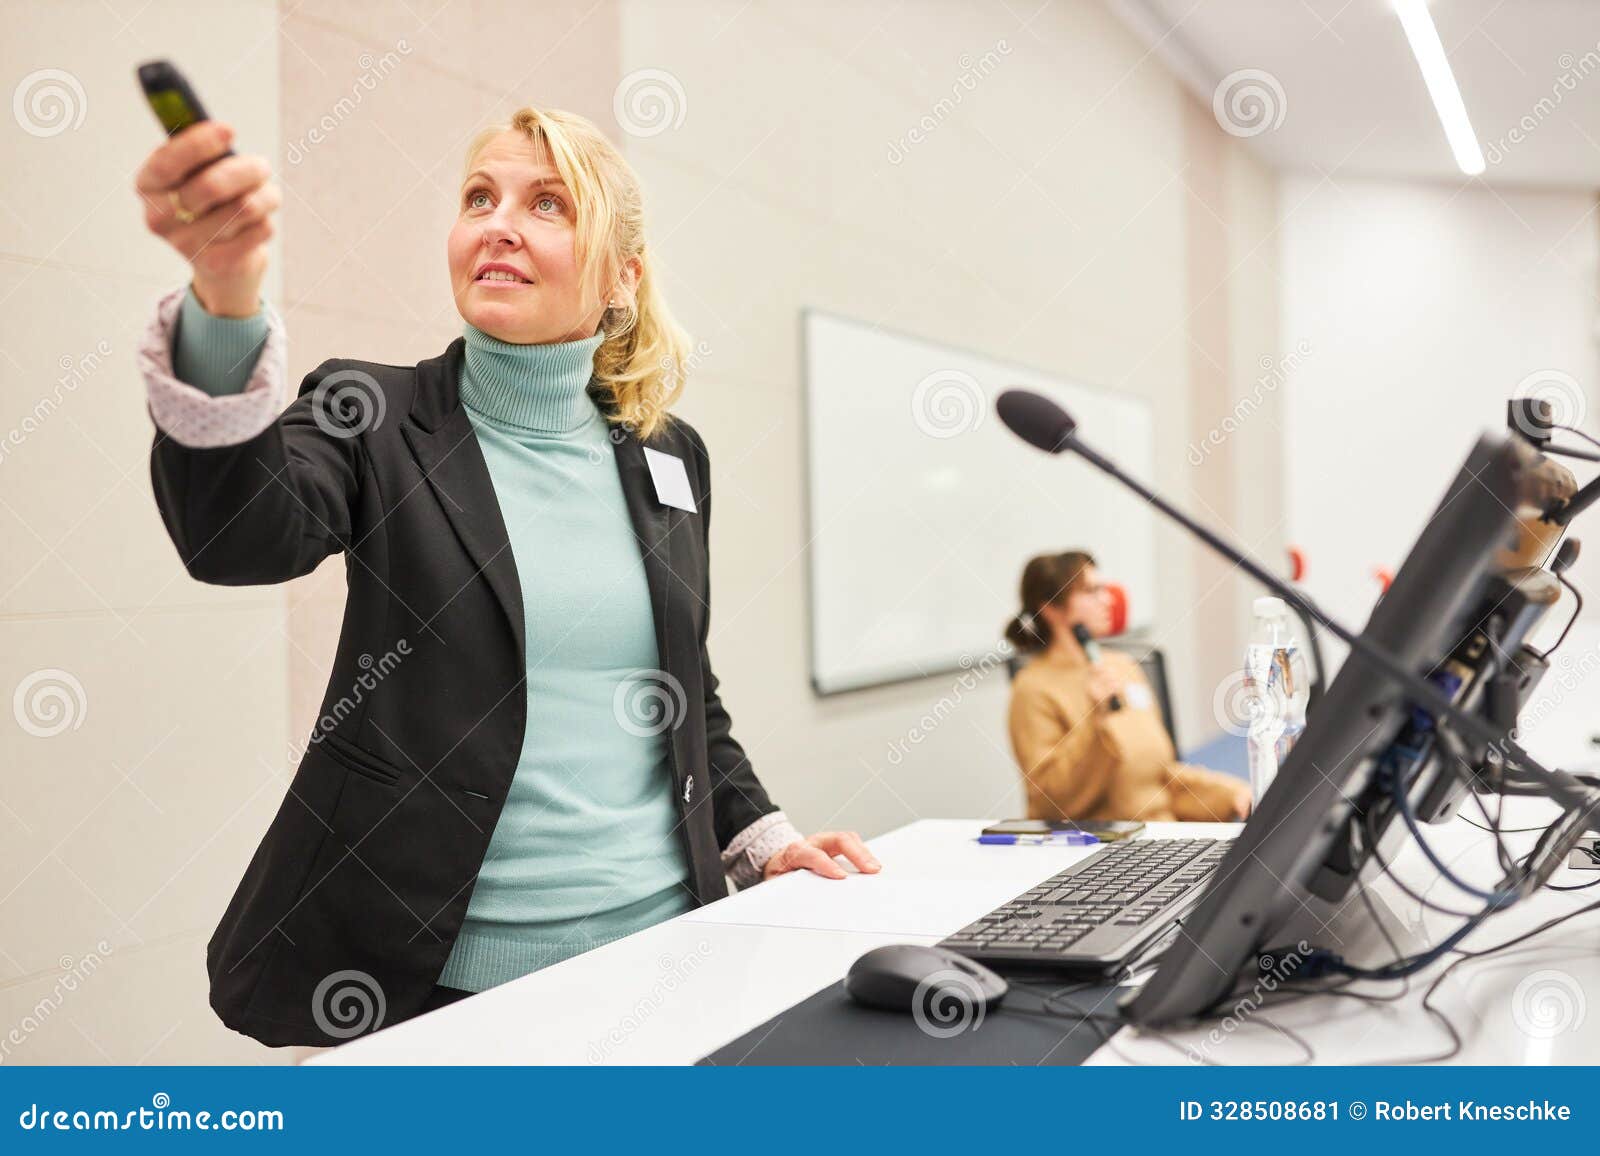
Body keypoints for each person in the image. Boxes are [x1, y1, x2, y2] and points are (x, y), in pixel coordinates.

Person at [133, 106, 879, 1047]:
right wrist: (225, 301)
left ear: (620, 277)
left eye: (548, 205)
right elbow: (235, 539)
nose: (498, 223)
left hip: (664, 958)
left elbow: (682, 688)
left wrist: (765, 842)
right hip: (436, 988)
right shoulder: (373, 414)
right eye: (479, 196)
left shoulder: (669, 455)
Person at [1003, 551, 1250, 824]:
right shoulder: (1033, 689)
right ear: (1050, 608)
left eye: (1104, 589)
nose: (1108, 599)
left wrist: (1231, 793)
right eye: (1091, 591)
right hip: (1104, 848)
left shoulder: (1122, 667)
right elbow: (1052, 801)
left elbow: (1159, 774)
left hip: (1162, 835)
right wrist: (1096, 719)